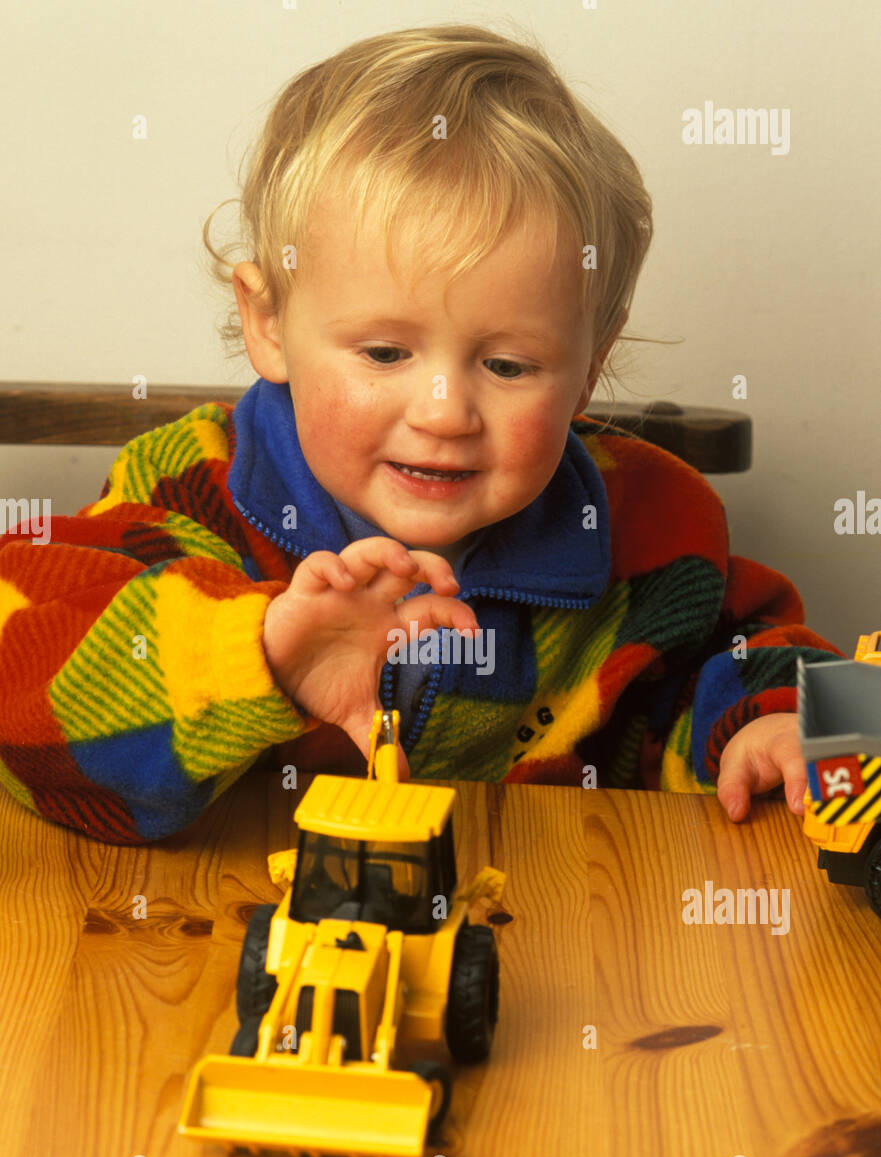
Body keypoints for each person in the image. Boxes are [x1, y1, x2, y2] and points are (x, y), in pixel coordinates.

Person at [0, 23, 844, 846]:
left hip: (546, 937)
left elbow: (760, 664)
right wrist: (259, 657)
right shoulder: (191, 484)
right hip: (223, 948)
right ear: (266, 322)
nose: (444, 412)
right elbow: (21, 686)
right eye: (384, 351)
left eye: (509, 366)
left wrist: (764, 730)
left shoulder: (649, 520)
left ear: (590, 364)